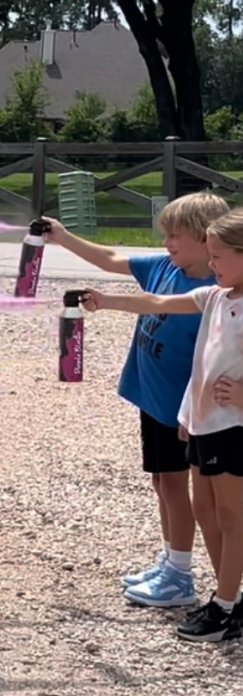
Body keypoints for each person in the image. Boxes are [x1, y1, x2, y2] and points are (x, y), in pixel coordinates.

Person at [42, 191, 229, 608]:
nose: (166, 243)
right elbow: (110, 259)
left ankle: (180, 576)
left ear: (204, 238)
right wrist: (63, 236)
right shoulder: (165, 266)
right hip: (152, 396)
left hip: (180, 410)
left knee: (178, 487)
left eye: (174, 235)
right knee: (162, 482)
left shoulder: (213, 292)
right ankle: (170, 560)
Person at [81, 206, 243, 642]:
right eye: (209, 257)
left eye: (218, 258)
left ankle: (227, 606)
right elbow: (154, 302)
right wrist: (106, 301)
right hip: (204, 424)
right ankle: (228, 596)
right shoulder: (214, 296)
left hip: (234, 428)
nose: (211, 267)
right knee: (208, 510)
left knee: (232, 517)